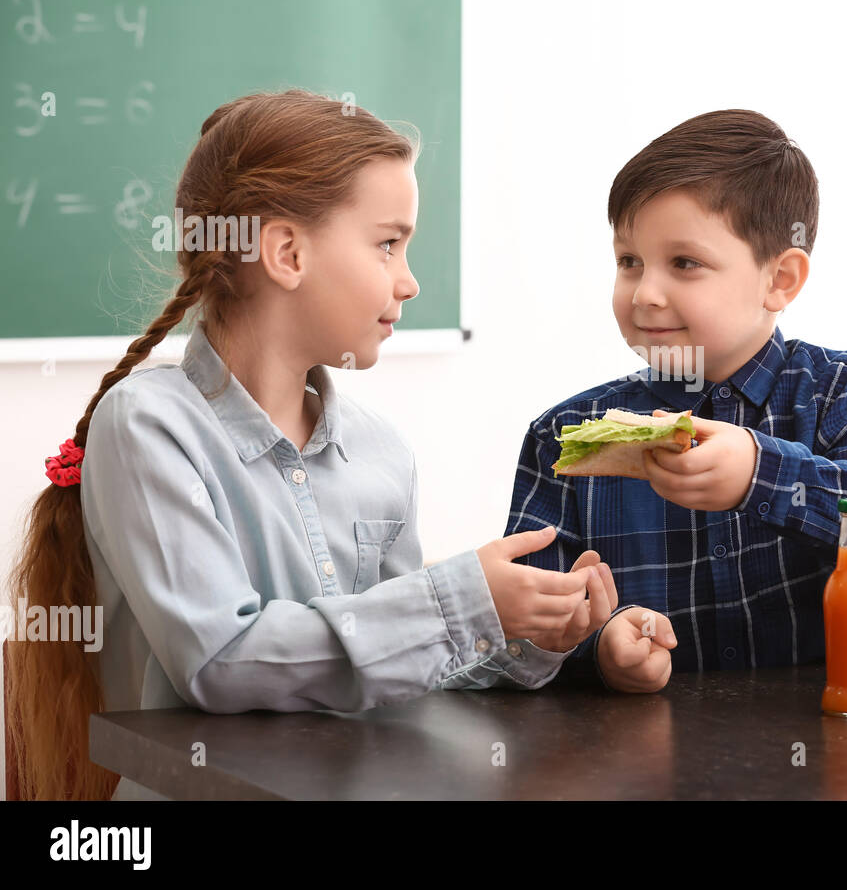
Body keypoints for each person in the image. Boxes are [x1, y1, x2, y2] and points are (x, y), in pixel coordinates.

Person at [5, 90, 616, 801]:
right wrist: (461, 603)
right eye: (388, 243)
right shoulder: (147, 427)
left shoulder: (381, 451)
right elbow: (223, 661)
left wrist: (528, 634)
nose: (410, 280)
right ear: (287, 252)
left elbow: (394, 659)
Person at [505, 109, 847, 692]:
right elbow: (524, 632)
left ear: (779, 279)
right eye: (629, 261)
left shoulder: (838, 387)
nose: (646, 294)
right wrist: (600, 644)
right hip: (639, 763)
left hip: (829, 752)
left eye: (685, 263)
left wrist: (761, 474)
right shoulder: (567, 431)